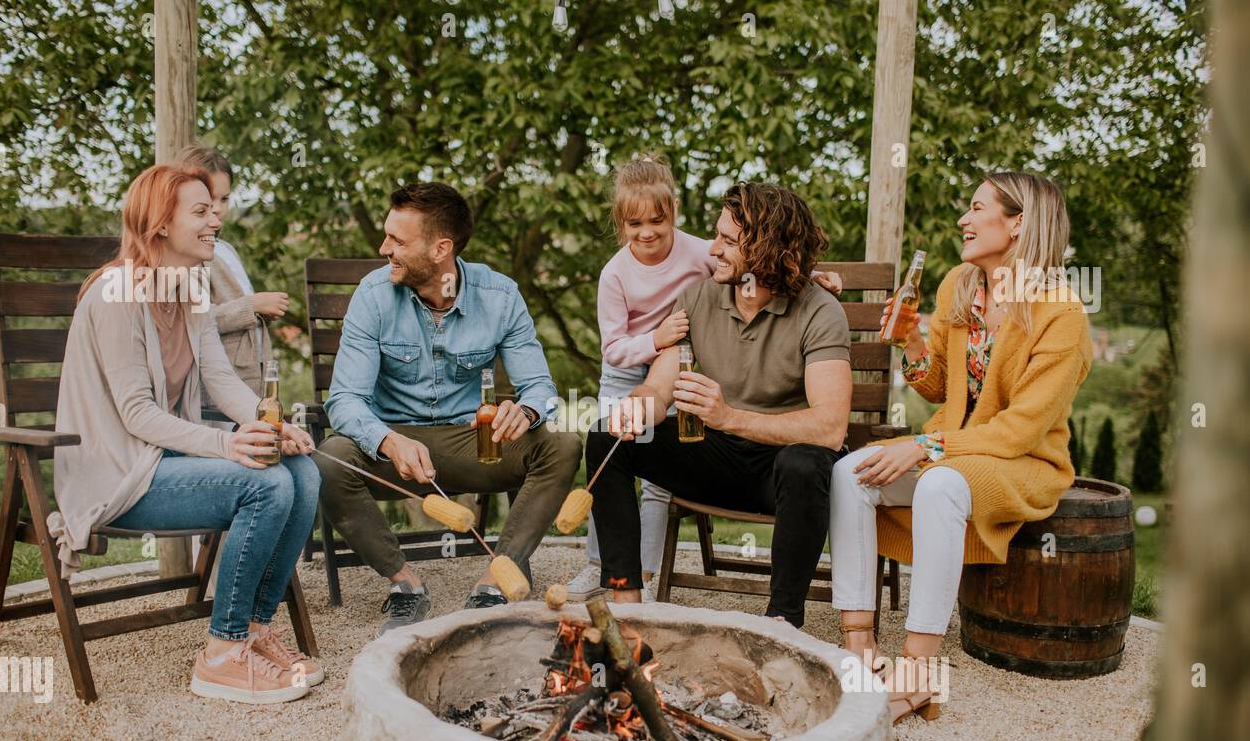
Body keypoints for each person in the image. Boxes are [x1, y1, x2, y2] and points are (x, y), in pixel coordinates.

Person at [49, 164, 322, 705]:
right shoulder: (115, 296)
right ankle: (221, 653)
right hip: (117, 474)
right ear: (159, 225)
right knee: (265, 484)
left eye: (214, 209)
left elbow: (221, 381)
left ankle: (255, 632)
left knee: (303, 472)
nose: (216, 220)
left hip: (163, 461)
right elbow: (137, 413)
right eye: (200, 212)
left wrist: (272, 425)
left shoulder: (191, 290)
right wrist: (228, 444)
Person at [829, 171, 1092, 724]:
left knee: (940, 485)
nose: (962, 220)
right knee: (850, 472)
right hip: (952, 448)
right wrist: (911, 340)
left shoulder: (1061, 314)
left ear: (1018, 223)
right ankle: (859, 647)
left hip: (1023, 463)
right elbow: (936, 388)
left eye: (976, 208)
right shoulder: (959, 286)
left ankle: (919, 672)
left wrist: (925, 446)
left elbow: (1020, 432)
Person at [567, 154, 844, 600]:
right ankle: (627, 599)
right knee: (606, 437)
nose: (711, 249)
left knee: (803, 463)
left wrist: (728, 416)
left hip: (779, 472)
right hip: (714, 459)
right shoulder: (698, 297)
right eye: (716, 236)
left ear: (766, 248)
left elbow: (829, 429)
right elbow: (658, 386)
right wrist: (639, 407)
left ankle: (783, 616)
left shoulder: (820, 310)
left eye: (726, 240)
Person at [315, 182, 582, 630]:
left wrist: (527, 411)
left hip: (473, 444)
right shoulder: (373, 295)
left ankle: (494, 583)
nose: (384, 249)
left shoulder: (500, 296)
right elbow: (344, 399)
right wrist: (388, 440)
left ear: (441, 249)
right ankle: (405, 585)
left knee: (563, 445)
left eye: (397, 241)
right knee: (329, 459)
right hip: (393, 448)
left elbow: (539, 387)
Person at [173, 144, 288, 402]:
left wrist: (261, 310)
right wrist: (252, 305)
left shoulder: (225, 250)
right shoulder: (190, 256)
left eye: (223, 199)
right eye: (208, 200)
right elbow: (194, 319)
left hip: (251, 379)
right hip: (215, 391)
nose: (217, 208)